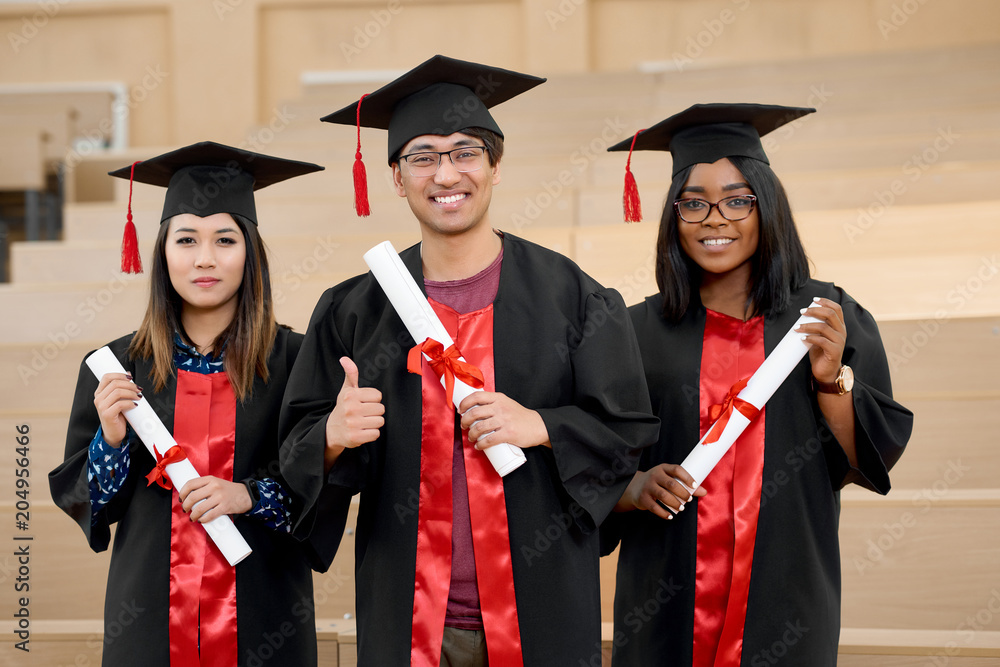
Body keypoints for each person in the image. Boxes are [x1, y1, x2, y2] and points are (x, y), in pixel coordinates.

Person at [278, 55, 660, 666]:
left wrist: (543, 426)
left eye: (465, 152)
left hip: (543, 619)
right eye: (422, 157)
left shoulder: (576, 299)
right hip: (406, 621)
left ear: (495, 167)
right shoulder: (354, 312)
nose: (445, 173)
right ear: (397, 179)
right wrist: (329, 437)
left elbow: (629, 434)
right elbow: (294, 452)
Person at [601, 103, 914, 666]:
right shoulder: (635, 330)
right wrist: (633, 486)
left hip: (784, 593)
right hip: (666, 593)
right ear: (674, 216)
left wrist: (829, 379)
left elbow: (868, 456)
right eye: (693, 202)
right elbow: (599, 459)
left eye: (737, 200)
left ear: (766, 207)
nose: (714, 218)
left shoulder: (823, 316)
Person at [48, 142, 326, 667]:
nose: (205, 258)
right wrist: (109, 438)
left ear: (250, 253)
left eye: (225, 239)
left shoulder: (296, 359)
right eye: (186, 239)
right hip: (149, 617)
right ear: (162, 252)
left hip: (264, 614)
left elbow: (321, 489)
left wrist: (247, 495)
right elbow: (93, 506)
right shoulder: (112, 367)